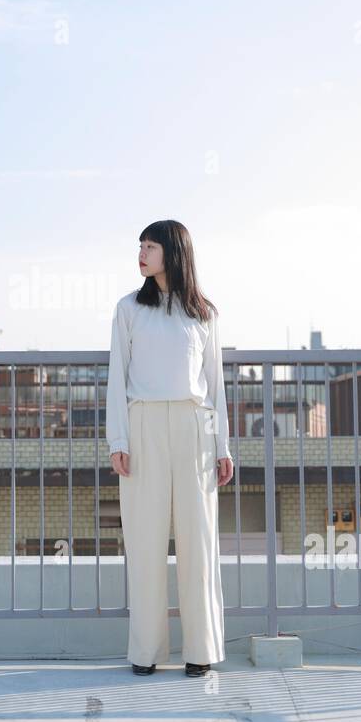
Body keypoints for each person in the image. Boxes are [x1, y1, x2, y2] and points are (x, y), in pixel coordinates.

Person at [107, 219, 232, 677]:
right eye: (139, 245)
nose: (141, 253)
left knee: (198, 541)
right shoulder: (128, 309)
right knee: (145, 539)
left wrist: (223, 446)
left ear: (173, 252)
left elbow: (215, 385)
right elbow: (115, 380)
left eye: (150, 246)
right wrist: (117, 440)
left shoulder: (204, 314)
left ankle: (200, 650)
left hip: (194, 426)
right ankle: (146, 651)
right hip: (142, 425)